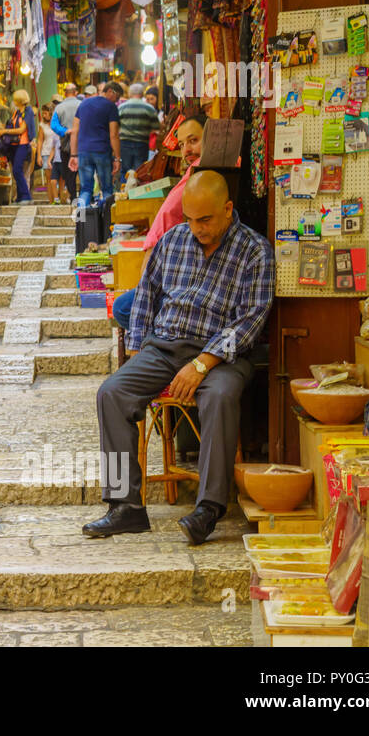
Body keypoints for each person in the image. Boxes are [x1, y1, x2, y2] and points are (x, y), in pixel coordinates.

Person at [84, 170, 273, 546]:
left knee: (218, 397)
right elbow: (145, 299)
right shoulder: (172, 241)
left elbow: (251, 319)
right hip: (164, 347)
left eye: (205, 220)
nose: (196, 228)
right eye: (189, 219)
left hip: (223, 356)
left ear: (227, 209)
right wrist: (138, 352)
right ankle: (126, 507)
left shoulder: (255, 250)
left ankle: (208, 508)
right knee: (112, 392)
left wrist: (203, 363)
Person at [112, 115, 205, 333]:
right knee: (126, 308)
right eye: (182, 144)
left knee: (124, 309)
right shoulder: (194, 170)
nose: (186, 150)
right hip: (164, 268)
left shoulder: (203, 173)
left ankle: (164, 344)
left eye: (193, 141)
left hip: (175, 272)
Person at [69, 83, 121, 208]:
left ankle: (81, 223)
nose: (117, 101)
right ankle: (108, 222)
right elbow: (114, 134)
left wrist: (73, 154)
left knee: (85, 189)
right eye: (117, 97)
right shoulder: (111, 107)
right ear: (110, 91)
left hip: (83, 152)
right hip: (102, 151)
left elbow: (75, 131)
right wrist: (117, 158)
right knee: (107, 189)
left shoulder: (83, 104)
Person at [0, 89, 36, 204]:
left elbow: (22, 129)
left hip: (23, 144)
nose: (14, 101)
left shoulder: (28, 111)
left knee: (17, 170)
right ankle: (20, 197)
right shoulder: (17, 112)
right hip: (15, 145)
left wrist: (5, 131)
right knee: (16, 171)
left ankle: (26, 196)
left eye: (15, 99)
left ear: (19, 100)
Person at [118, 82, 162, 177]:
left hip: (125, 143)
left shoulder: (122, 107)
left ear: (130, 93)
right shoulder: (149, 108)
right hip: (142, 144)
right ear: (142, 94)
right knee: (139, 171)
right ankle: (136, 191)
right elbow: (156, 127)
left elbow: (116, 126)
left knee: (125, 170)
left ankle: (124, 190)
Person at [51, 82, 81, 202]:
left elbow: (54, 125)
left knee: (68, 174)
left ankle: (73, 197)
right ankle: (84, 197)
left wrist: (65, 131)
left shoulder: (59, 108)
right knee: (82, 171)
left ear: (64, 93)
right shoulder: (82, 105)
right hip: (81, 144)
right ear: (75, 93)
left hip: (65, 145)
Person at [38, 105, 62, 203]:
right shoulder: (42, 125)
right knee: (49, 179)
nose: (43, 115)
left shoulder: (57, 123)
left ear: (51, 113)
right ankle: (51, 200)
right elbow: (40, 140)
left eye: (45, 113)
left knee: (59, 178)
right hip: (46, 152)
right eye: (42, 113)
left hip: (57, 153)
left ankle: (60, 198)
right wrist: (38, 155)